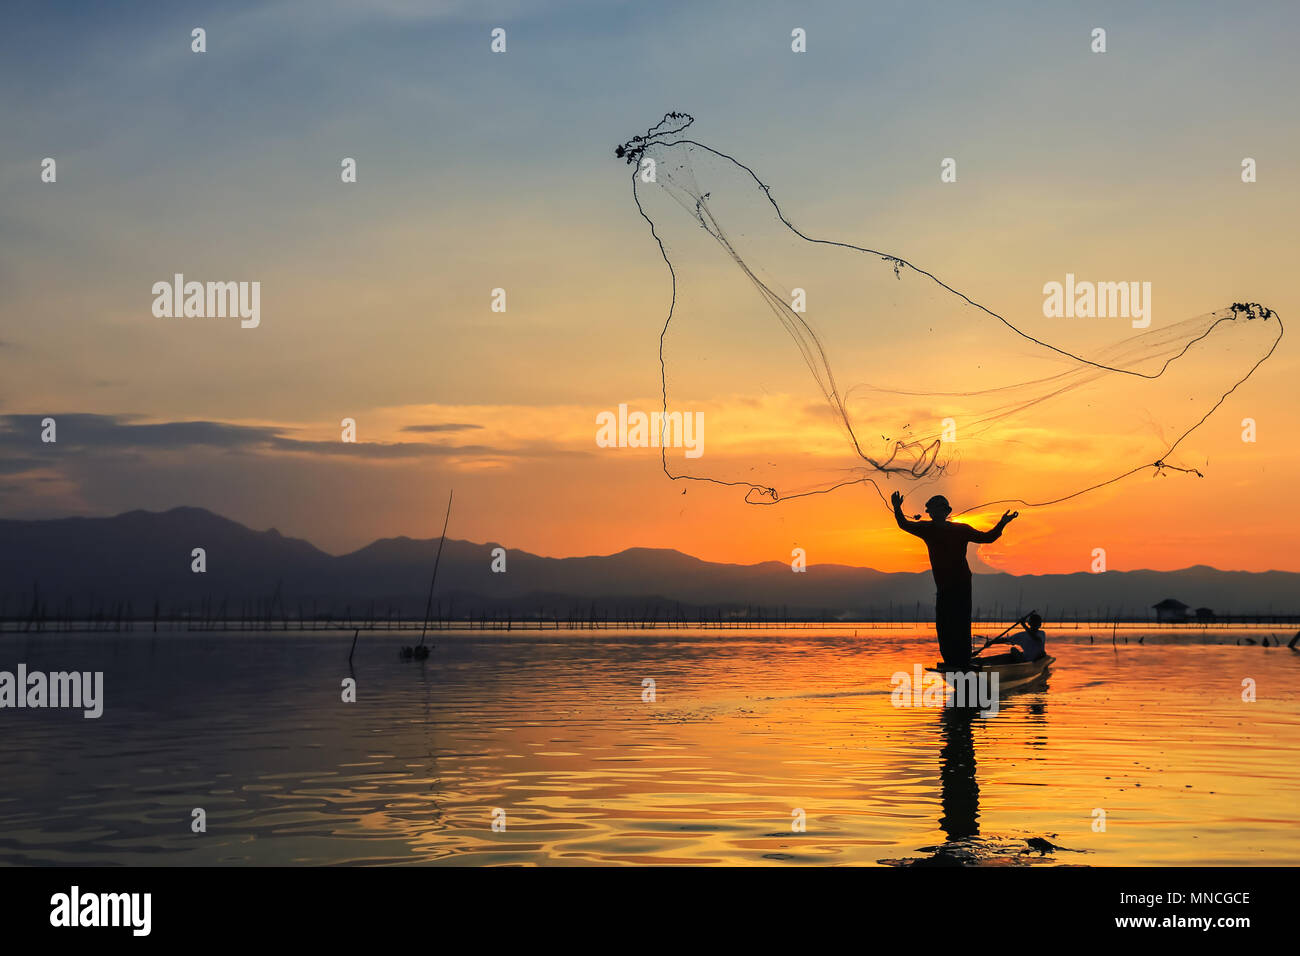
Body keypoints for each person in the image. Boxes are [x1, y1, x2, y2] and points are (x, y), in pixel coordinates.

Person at [891, 491, 1018, 668]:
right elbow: (903, 524)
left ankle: (964, 661)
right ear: (930, 513)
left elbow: (987, 538)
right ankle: (951, 662)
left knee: (961, 623)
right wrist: (897, 508)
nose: (934, 512)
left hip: (962, 584)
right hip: (944, 587)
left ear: (946, 512)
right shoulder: (926, 529)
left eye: (938, 509)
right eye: (932, 510)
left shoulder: (961, 530)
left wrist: (1002, 523)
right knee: (943, 625)